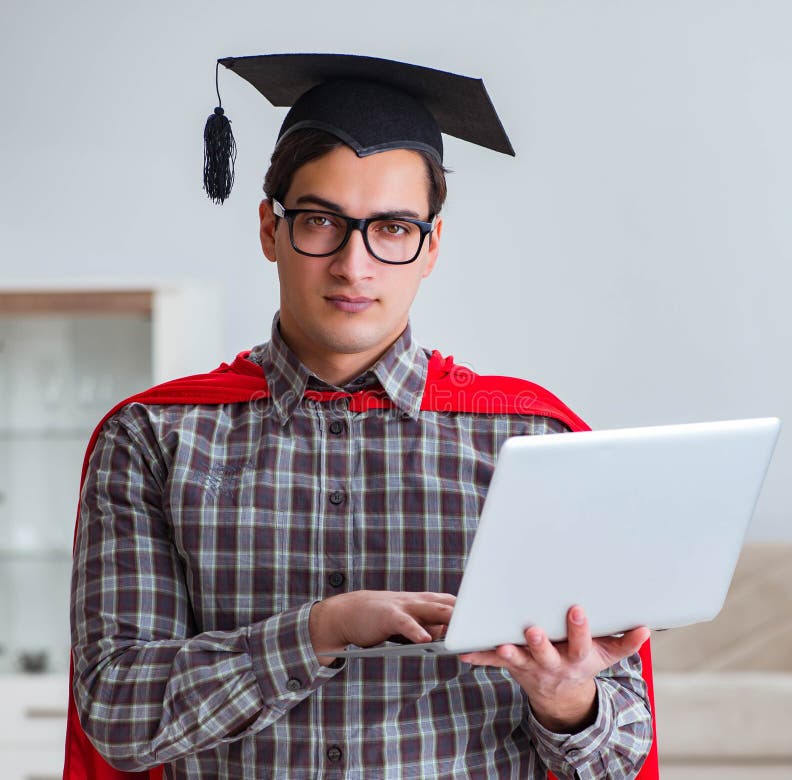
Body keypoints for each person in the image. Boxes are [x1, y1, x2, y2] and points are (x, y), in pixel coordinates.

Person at [66, 54, 656, 779]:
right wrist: (319, 632)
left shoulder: (534, 442)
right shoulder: (153, 441)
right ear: (269, 229)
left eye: (393, 229)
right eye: (320, 222)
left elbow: (621, 753)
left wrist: (568, 699)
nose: (354, 265)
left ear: (430, 246)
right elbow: (118, 713)